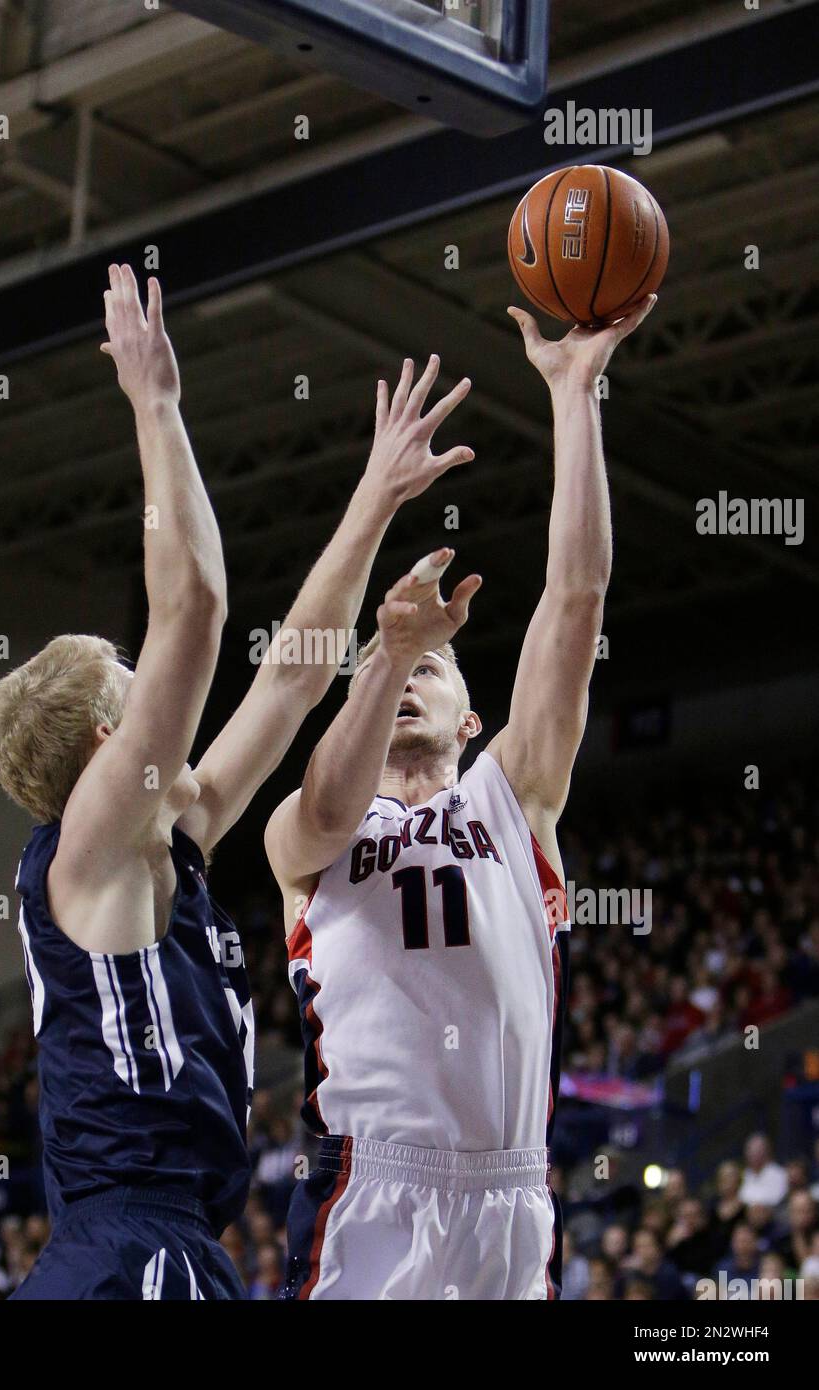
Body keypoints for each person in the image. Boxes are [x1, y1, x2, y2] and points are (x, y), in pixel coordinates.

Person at [0, 264, 474, 1299]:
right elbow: (196, 607)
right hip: (126, 1251)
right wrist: (155, 405)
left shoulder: (173, 832)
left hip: (168, 1245)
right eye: (131, 675)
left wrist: (374, 497)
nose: (155, 681)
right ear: (111, 736)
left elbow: (295, 674)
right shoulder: (95, 844)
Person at [266, 296, 657, 1300]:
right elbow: (318, 804)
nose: (400, 686)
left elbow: (574, 601)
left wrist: (575, 395)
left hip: (512, 1197)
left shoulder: (511, 796)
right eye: (381, 679)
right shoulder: (307, 831)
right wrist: (388, 653)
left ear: (472, 722)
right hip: (371, 1188)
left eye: (427, 674)